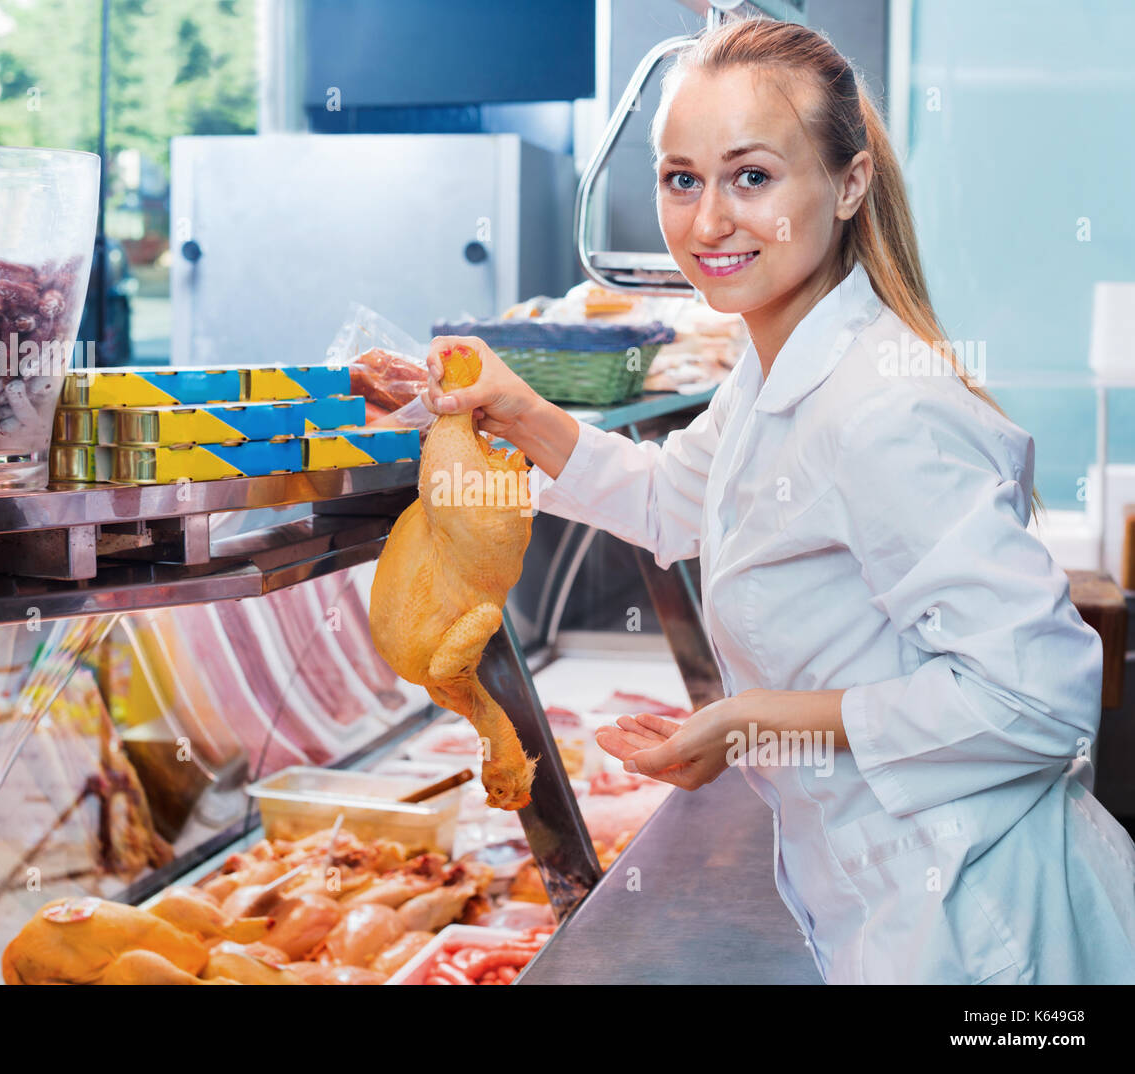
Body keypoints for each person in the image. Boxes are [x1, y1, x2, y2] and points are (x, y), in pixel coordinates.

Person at [418, 17, 1135, 984]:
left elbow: (1037, 700)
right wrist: (516, 411)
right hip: (889, 905)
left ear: (847, 184)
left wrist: (754, 720)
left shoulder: (883, 407)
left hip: (987, 927)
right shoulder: (769, 370)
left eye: (751, 177)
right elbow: (672, 499)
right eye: (682, 179)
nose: (708, 221)